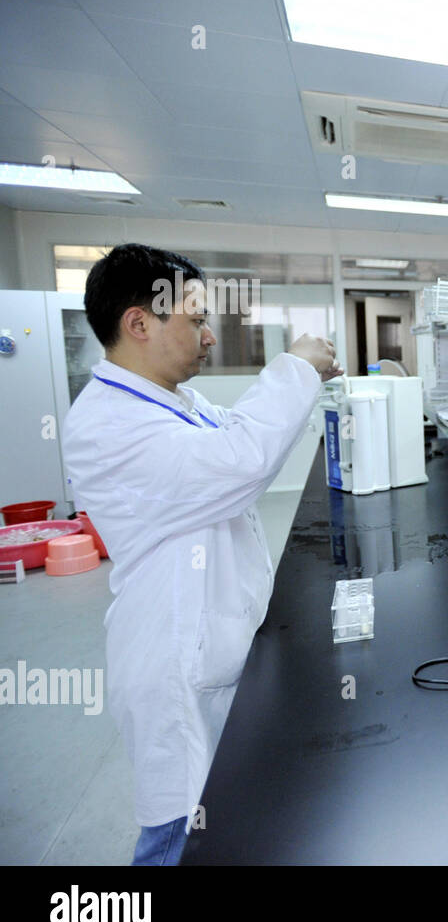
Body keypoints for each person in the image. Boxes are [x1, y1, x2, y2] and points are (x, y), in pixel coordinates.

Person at [61, 244, 343, 865]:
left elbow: (246, 441)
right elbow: (237, 465)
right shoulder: (106, 424)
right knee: (178, 838)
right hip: (172, 661)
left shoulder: (171, 402)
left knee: (214, 823)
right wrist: (294, 368)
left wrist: (309, 383)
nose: (211, 336)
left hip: (209, 638)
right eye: (195, 320)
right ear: (140, 322)